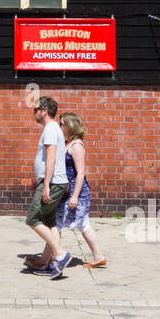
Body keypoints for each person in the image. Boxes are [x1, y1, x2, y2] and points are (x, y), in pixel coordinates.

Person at [22, 96, 71, 279]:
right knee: (50, 223)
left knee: (33, 219)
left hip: (53, 182)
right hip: (52, 181)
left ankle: (59, 254)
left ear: (45, 111)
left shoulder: (50, 129)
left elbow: (51, 158)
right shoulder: (52, 129)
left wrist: (46, 186)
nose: (33, 112)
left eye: (35, 109)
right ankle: (53, 263)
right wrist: (40, 181)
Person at [55, 112, 107, 267]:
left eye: (62, 124)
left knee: (64, 224)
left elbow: (81, 173)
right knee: (64, 224)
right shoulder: (67, 143)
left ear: (69, 126)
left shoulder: (77, 146)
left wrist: (75, 196)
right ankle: (98, 257)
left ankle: (51, 259)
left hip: (76, 192)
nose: (60, 127)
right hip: (66, 192)